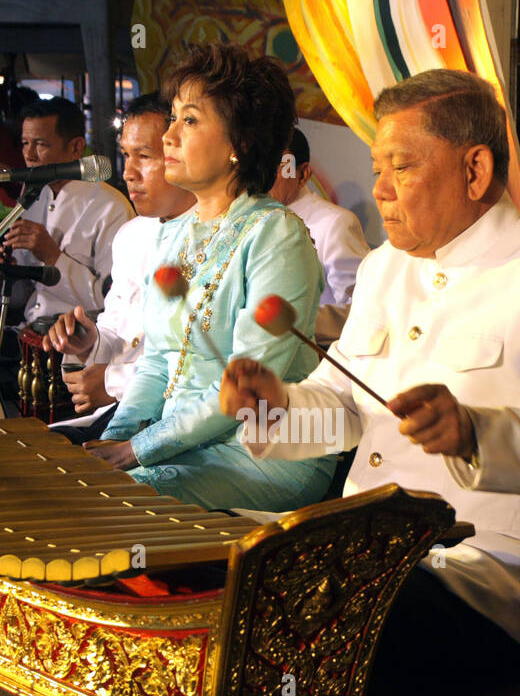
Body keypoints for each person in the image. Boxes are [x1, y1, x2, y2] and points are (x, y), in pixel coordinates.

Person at [219, 69, 520, 663]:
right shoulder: (385, 267)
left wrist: (477, 434)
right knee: (210, 585)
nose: (382, 190)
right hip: (369, 549)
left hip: (496, 571)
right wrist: (275, 408)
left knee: (295, 634)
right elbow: (344, 409)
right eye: (376, 170)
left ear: (475, 171)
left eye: (403, 167)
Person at [88, 44, 337, 512]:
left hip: (261, 450)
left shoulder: (275, 234)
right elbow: (159, 361)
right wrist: (116, 439)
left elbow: (244, 383)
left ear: (239, 144)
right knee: (84, 485)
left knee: (121, 502)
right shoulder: (170, 236)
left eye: (190, 120)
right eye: (173, 118)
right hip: (181, 443)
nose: (168, 136)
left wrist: (138, 451)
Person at [40, 93, 196, 443]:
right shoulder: (132, 235)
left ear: (184, 156)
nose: (128, 172)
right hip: (117, 411)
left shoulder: (212, 237)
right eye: (126, 155)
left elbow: (196, 364)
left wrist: (112, 383)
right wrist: (87, 341)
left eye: (144, 156)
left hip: (171, 423)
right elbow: (116, 328)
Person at [0, 97, 133, 325]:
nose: (30, 155)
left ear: (75, 147)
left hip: (81, 349)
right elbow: (22, 296)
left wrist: (53, 257)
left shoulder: (111, 208)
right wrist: (6, 270)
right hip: (29, 335)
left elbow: (113, 303)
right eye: (25, 143)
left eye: (41, 144)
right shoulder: (33, 197)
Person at [268, 128, 369, 345]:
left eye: (276, 166)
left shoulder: (336, 223)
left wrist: (292, 323)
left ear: (303, 174)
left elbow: (362, 311)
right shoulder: (247, 218)